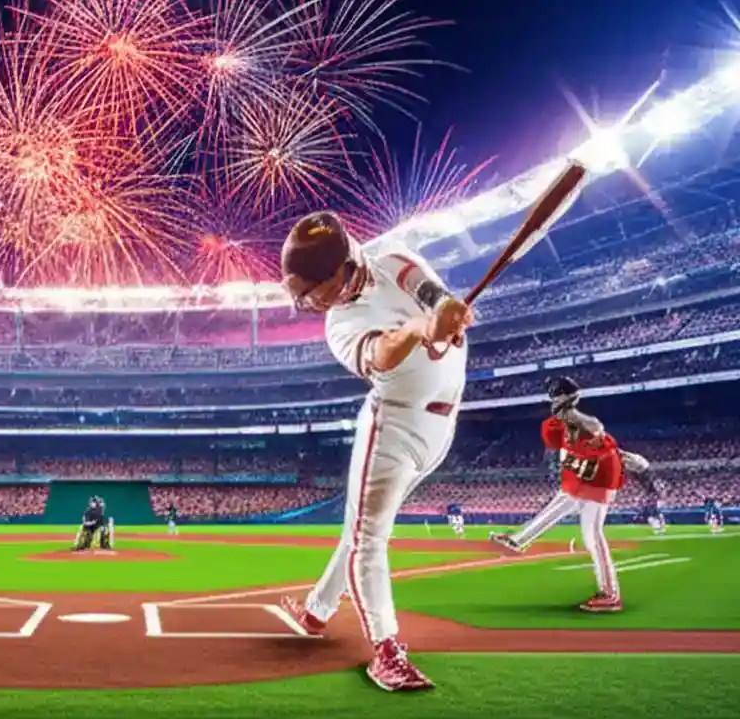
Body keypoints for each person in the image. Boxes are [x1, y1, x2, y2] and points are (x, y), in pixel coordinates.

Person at [276, 211, 472, 692]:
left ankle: (316, 611)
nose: (309, 303)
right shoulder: (338, 324)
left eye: (311, 290)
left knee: (359, 528)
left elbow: (432, 293)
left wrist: (448, 311)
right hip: (394, 428)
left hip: (442, 427)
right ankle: (385, 650)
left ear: (342, 266)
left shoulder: (395, 263)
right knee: (368, 536)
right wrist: (416, 330)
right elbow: (380, 356)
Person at [490, 376, 648, 613]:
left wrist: (571, 414)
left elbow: (596, 427)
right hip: (588, 475)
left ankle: (611, 595)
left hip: (600, 478)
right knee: (561, 501)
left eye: (556, 396)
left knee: (592, 536)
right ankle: (518, 540)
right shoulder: (562, 422)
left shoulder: (575, 417)